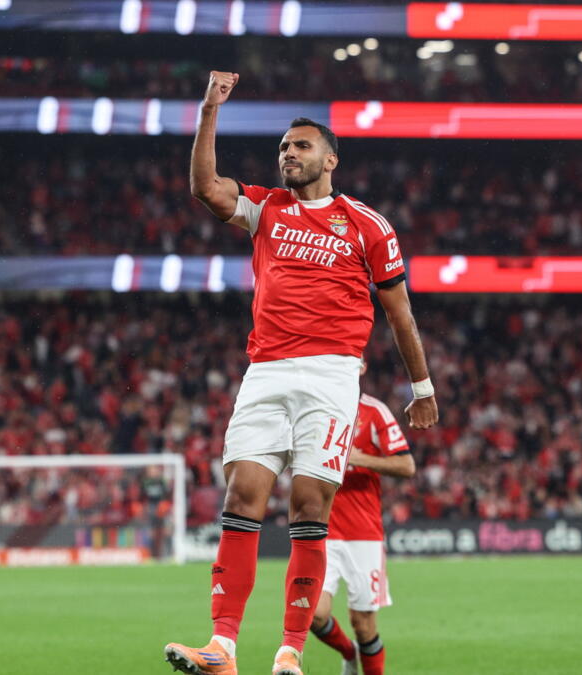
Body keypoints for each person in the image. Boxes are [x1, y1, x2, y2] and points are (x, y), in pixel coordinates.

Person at [164, 71, 439, 675]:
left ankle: (290, 651)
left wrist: (423, 389)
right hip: (264, 371)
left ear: (330, 158)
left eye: (301, 146)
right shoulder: (266, 209)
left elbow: (399, 311)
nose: (289, 154)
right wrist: (210, 108)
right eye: (284, 147)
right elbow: (205, 187)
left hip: (330, 375)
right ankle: (223, 647)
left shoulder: (367, 225)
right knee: (242, 495)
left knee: (309, 503)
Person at [310, 363, 415, 675]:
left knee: (364, 624)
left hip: (363, 534)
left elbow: (407, 466)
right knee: (314, 613)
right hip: (322, 530)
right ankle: (348, 652)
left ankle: (361, 654)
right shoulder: (315, 410)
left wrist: (358, 459)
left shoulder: (374, 411)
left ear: (361, 367)